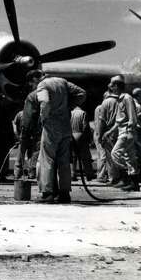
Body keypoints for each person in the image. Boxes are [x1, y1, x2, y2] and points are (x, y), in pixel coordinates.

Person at [31, 70, 86, 203]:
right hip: (66, 126)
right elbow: (82, 93)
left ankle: (47, 193)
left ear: (35, 79)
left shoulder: (42, 85)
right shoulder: (62, 81)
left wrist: (43, 119)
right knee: (64, 161)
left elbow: (44, 103)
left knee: (47, 159)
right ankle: (65, 193)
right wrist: (69, 106)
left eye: (32, 83)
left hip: (51, 126)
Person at [107, 77, 140, 192]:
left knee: (115, 154)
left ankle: (127, 178)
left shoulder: (127, 98)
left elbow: (132, 115)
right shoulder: (120, 99)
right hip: (123, 130)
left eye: (112, 84)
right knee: (129, 158)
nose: (110, 86)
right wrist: (110, 131)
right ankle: (134, 183)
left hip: (126, 131)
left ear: (117, 85)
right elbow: (119, 120)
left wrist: (131, 128)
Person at [96, 79, 123, 186]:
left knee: (109, 157)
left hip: (109, 133)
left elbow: (102, 121)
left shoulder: (106, 102)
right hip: (120, 131)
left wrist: (99, 135)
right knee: (120, 155)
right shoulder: (122, 100)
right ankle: (123, 177)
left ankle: (114, 178)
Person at [14, 89, 40, 180]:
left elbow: (15, 125)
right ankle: (31, 174)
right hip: (32, 137)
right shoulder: (35, 113)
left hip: (23, 137)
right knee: (32, 156)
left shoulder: (19, 114)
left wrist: (18, 136)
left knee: (20, 156)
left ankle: (17, 174)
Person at [70, 105, 94, 182]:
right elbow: (85, 126)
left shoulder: (70, 113)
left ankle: (72, 174)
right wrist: (89, 137)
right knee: (85, 157)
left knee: (73, 157)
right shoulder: (83, 113)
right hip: (80, 135)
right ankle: (89, 174)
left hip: (72, 135)